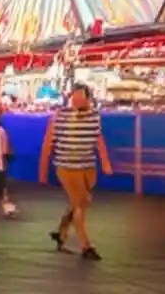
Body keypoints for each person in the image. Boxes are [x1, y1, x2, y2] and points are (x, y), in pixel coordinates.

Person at [39, 83, 112, 261]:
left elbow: (98, 138)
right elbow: (48, 143)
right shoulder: (60, 116)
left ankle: (61, 233)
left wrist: (105, 162)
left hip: (87, 166)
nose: (76, 99)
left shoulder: (94, 116)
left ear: (88, 98)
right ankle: (86, 246)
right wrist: (43, 169)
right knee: (81, 202)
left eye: (80, 96)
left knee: (77, 203)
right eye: (74, 96)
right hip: (67, 167)